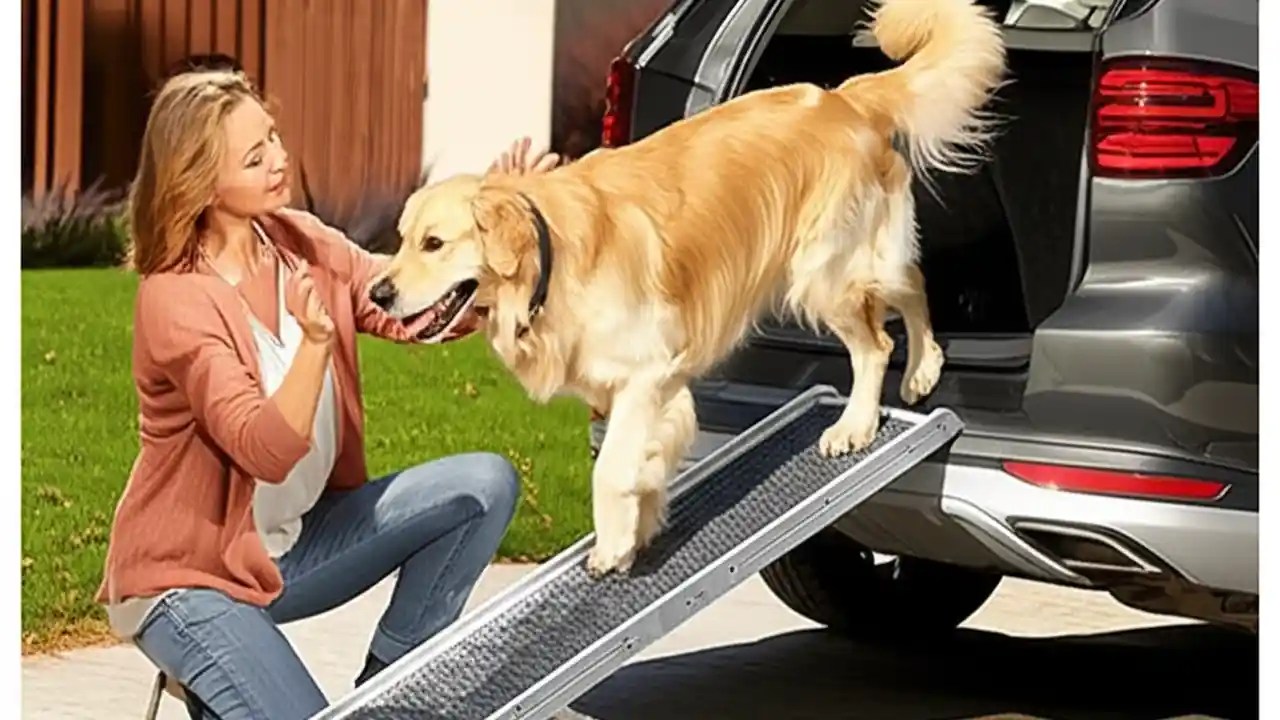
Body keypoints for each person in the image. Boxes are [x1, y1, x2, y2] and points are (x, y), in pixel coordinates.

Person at [96, 66, 560, 719]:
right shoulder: (176, 300)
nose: (280, 160)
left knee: (481, 487)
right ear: (199, 179)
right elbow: (264, 449)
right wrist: (313, 348)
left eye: (276, 139)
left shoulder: (301, 244)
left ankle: (392, 697)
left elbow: (409, 305)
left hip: (294, 549)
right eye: (255, 156)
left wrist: (491, 231)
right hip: (190, 577)